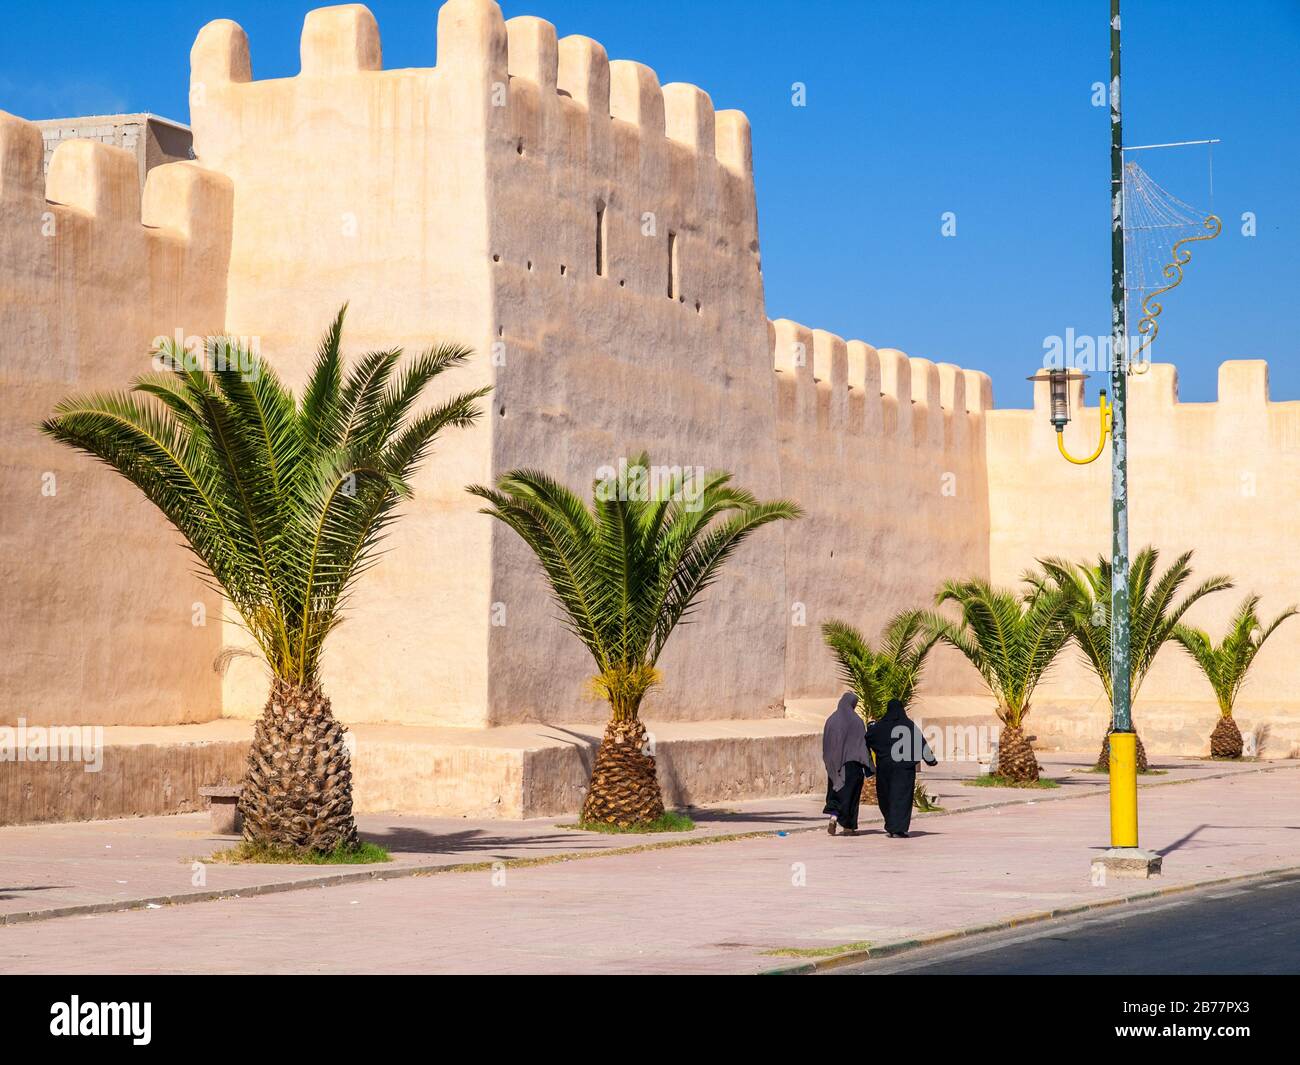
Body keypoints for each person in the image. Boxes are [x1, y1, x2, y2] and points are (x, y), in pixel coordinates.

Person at [867, 698, 938, 838]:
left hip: (885, 770)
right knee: (902, 798)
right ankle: (899, 828)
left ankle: (892, 825)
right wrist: (931, 760)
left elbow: (869, 738)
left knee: (886, 797)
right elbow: (921, 743)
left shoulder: (880, 726)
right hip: (904, 770)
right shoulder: (908, 725)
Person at [822, 691, 873, 836]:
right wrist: (869, 766)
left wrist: (830, 763)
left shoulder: (831, 720)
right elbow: (862, 745)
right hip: (852, 766)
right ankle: (848, 828)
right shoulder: (857, 721)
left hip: (835, 766)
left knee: (836, 792)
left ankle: (834, 817)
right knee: (851, 796)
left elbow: (826, 744)